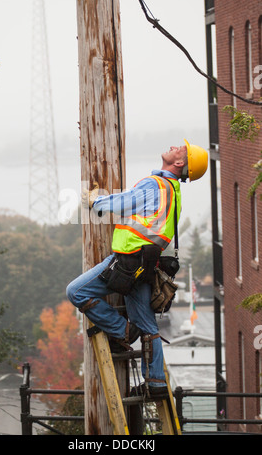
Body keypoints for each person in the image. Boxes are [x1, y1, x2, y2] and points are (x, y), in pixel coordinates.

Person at [66, 139, 208, 396]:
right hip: (146, 266)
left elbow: (123, 202)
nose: (175, 146)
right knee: (149, 327)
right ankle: (156, 384)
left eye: (181, 150)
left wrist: (95, 201)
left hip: (127, 262)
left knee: (76, 292)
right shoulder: (173, 191)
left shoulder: (156, 184)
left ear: (179, 163)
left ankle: (123, 331)